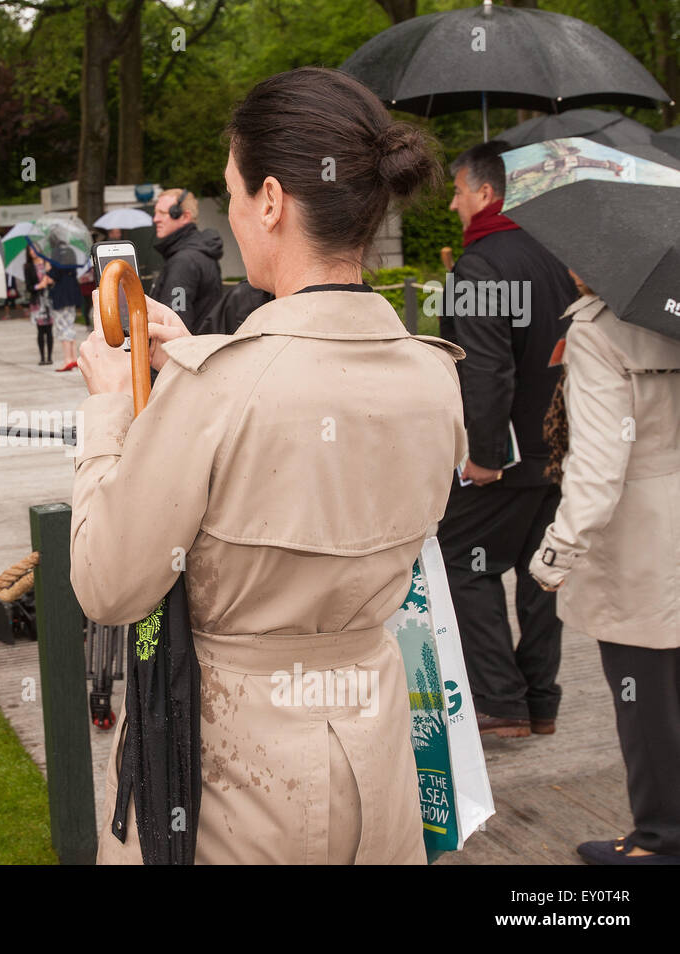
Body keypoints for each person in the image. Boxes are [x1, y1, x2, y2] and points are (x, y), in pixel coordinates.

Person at [72, 67, 466, 864]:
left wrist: (115, 406)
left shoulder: (215, 387)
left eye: (233, 193)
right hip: (375, 740)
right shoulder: (435, 371)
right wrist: (196, 367)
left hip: (236, 771)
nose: (233, 216)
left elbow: (109, 585)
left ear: (274, 200)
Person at [528, 274, 680, 865]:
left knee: (646, 701)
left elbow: (597, 464)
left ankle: (661, 841)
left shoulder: (599, 330)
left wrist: (555, 554)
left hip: (641, 541)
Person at [436, 140, 578, 738]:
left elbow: (487, 370)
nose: (452, 203)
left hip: (507, 456)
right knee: (541, 573)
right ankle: (541, 700)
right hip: (559, 448)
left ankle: (500, 700)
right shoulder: (556, 252)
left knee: (463, 563)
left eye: (459, 190)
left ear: (487, 194)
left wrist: (484, 456)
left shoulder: (481, 266)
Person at [150, 188, 225, 335]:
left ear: (184, 216)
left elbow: (176, 324)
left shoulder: (183, 262)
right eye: (155, 212)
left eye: (162, 213)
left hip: (187, 353)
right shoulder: (199, 252)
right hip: (202, 350)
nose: (155, 219)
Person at [47, 244, 83, 372]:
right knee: (70, 324)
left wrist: (48, 269)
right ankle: (73, 358)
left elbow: (53, 277)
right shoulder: (71, 251)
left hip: (61, 294)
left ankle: (67, 359)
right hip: (72, 291)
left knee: (62, 326)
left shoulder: (55, 253)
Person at [24, 245, 54, 365]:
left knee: (49, 330)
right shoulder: (28, 267)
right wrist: (38, 286)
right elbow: (28, 287)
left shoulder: (48, 264)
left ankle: (50, 357)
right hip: (37, 301)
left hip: (49, 300)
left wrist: (49, 277)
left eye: (35, 249)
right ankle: (42, 357)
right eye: (30, 250)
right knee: (40, 330)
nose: (33, 252)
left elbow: (53, 281)